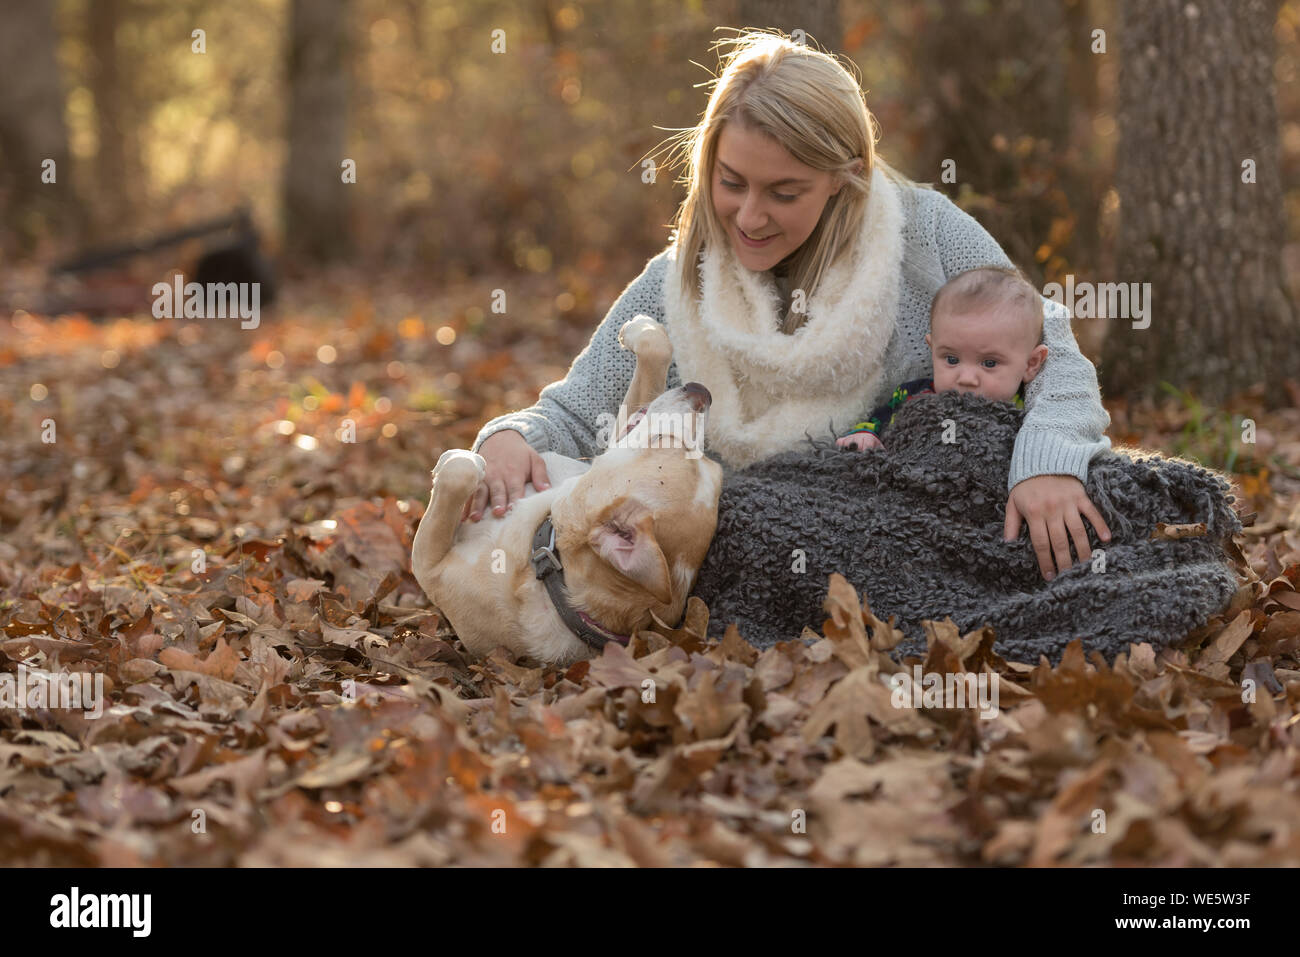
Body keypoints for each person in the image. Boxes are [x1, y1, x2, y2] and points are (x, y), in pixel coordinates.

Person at [462, 30, 1113, 581]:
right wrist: (509, 438)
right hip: (754, 560)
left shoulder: (924, 234)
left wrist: (1048, 465)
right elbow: (575, 414)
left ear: (844, 175)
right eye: (731, 181)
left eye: (784, 191)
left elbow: (1048, 344)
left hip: (929, 533)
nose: (749, 215)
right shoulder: (679, 282)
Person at [837, 265, 1046, 450]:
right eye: (952, 359)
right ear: (932, 348)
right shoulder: (914, 396)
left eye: (989, 363)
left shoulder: (1031, 413)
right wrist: (865, 435)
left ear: (1031, 363)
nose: (965, 378)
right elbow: (876, 422)